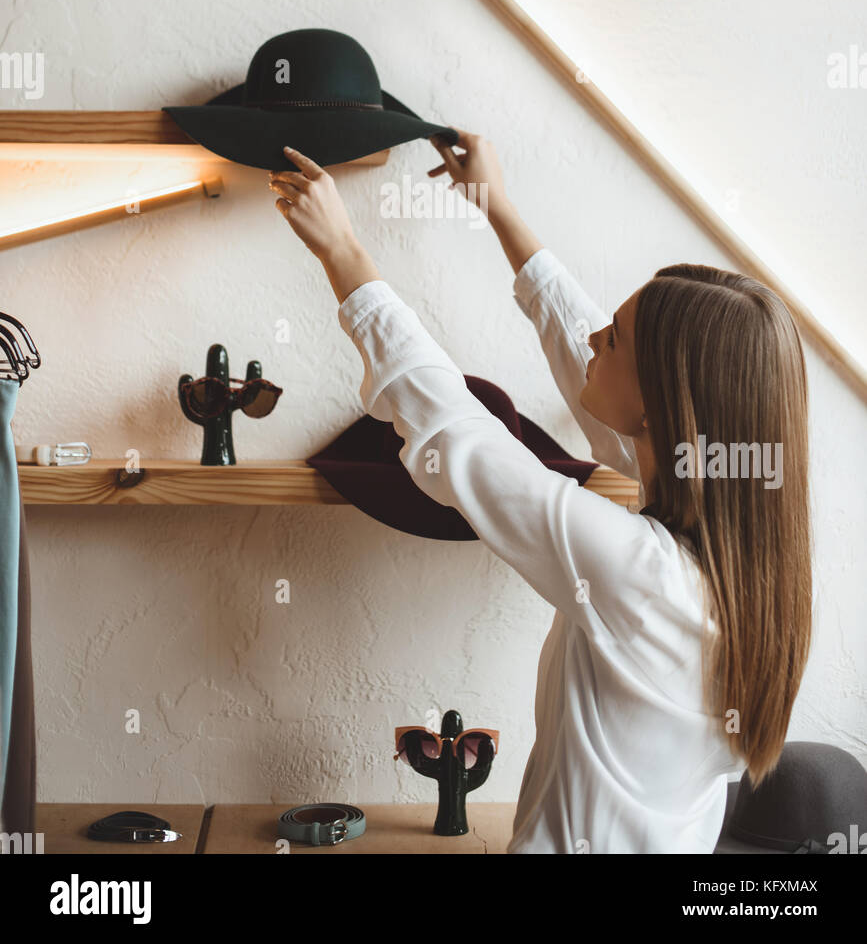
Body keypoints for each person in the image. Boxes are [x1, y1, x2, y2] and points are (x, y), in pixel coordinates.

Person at [268, 129, 813, 855]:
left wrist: (343, 252)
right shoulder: (737, 553)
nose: (593, 339)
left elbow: (459, 434)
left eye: (611, 339)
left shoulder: (641, 576)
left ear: (659, 412)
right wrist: (496, 208)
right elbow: (582, 347)